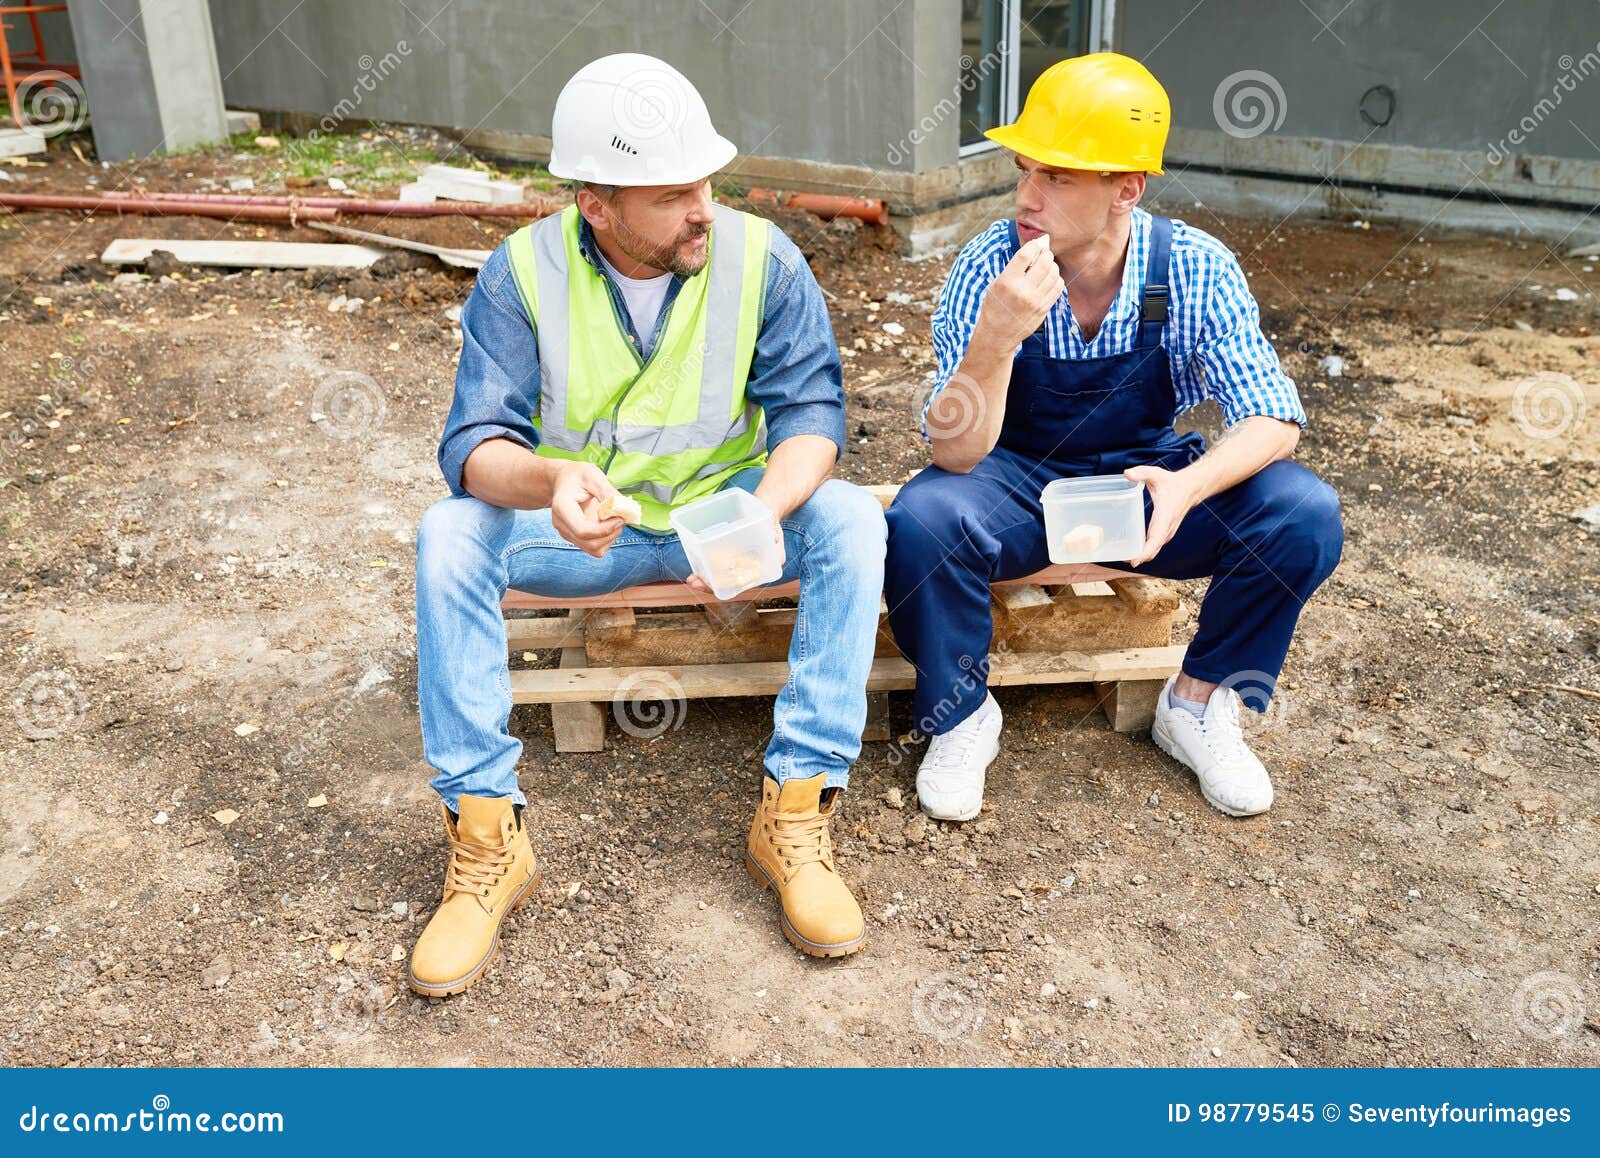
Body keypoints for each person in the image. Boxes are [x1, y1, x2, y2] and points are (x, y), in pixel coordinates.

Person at [409, 54, 884, 997]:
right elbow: (472, 447)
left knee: (853, 522)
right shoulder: (521, 274)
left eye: (705, 184)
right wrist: (550, 482)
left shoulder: (762, 259)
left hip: (727, 524)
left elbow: (813, 418)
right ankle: (485, 834)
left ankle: (794, 807)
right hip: (590, 532)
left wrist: (765, 507)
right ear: (598, 203)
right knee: (449, 535)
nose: (703, 209)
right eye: (672, 196)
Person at [885, 53, 1342, 824]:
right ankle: (963, 716)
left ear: (1126, 188)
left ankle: (1195, 704)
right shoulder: (986, 267)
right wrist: (995, 339)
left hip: (1146, 484)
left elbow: (1272, 414)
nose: (1027, 196)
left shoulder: (1192, 268)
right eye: (1026, 170)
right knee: (923, 520)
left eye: (1058, 178)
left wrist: (1187, 487)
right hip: (1015, 482)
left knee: (1303, 512)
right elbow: (955, 455)